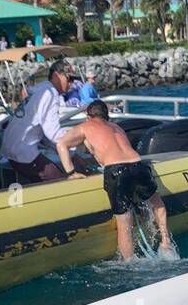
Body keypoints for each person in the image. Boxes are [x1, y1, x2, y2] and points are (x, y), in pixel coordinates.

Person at [55, 99, 175, 259]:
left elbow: (61, 144)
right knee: (157, 203)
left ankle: (129, 263)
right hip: (138, 165)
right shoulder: (117, 127)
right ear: (107, 115)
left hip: (116, 172)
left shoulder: (85, 126)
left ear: (88, 116)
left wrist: (71, 173)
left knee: (124, 223)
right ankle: (166, 243)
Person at [1, 60, 74, 183]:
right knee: (60, 180)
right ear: (56, 75)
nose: (71, 83)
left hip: (10, 149)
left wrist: (71, 152)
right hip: (23, 152)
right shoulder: (51, 94)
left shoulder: (40, 89)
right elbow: (53, 134)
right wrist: (76, 142)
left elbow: (45, 133)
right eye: (69, 78)